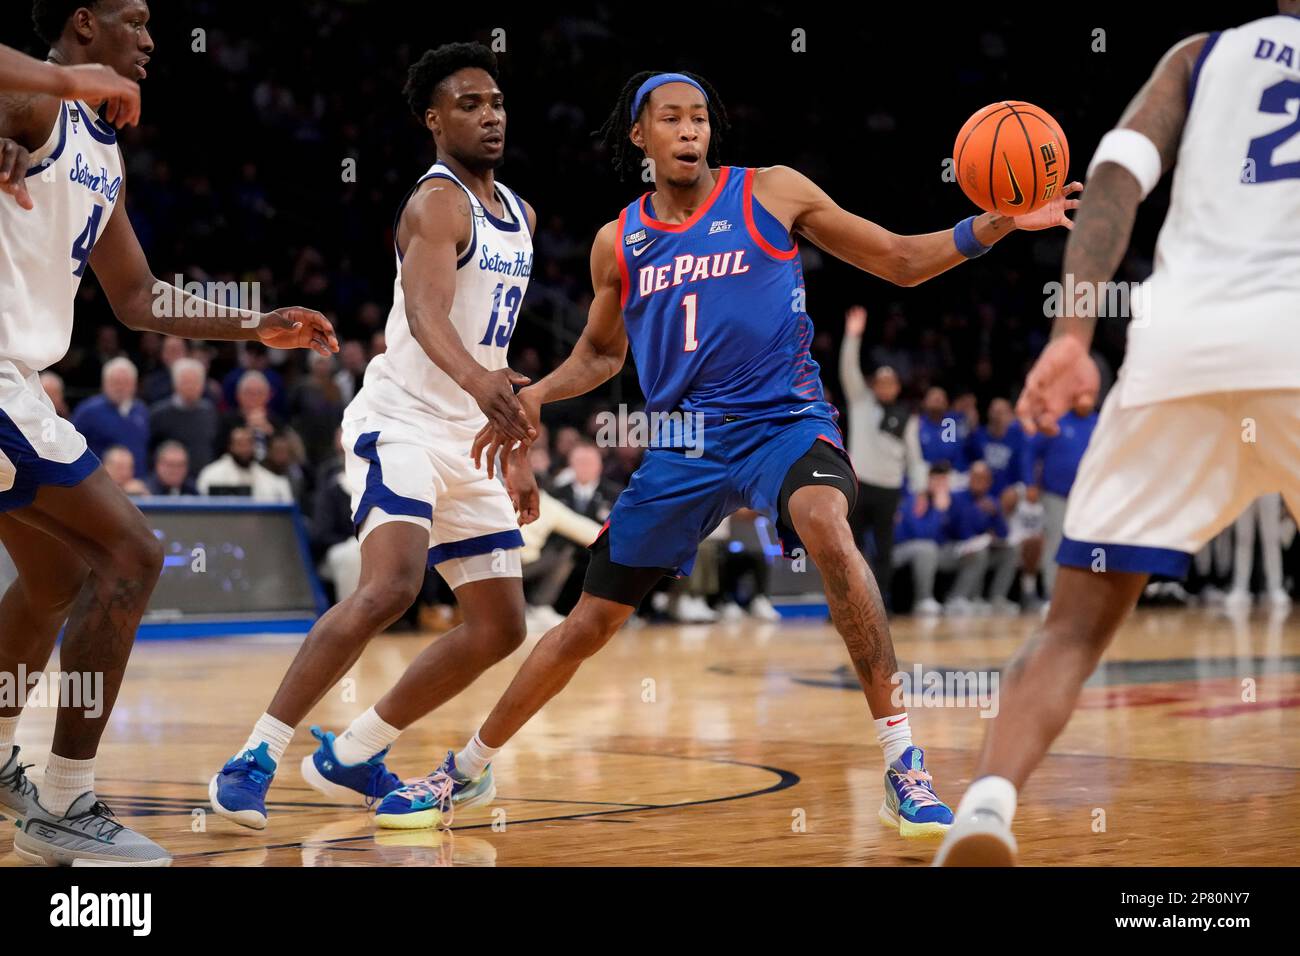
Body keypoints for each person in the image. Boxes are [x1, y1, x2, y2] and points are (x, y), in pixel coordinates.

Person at [436, 69, 1076, 838]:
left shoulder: (771, 192)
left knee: (828, 529)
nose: (689, 131)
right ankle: (465, 768)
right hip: (684, 445)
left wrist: (997, 224)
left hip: (784, 421)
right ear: (639, 135)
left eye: (700, 118)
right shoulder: (620, 240)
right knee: (587, 624)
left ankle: (904, 764)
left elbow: (902, 260)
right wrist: (536, 394)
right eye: (670, 119)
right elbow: (602, 356)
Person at [937, 5, 1300, 865]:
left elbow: (1112, 175)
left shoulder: (1200, 54)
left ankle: (984, 811)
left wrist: (1070, 336)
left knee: (1071, 629)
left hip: (1179, 348)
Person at [0, 0, 336, 867]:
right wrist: (67, 83)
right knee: (134, 554)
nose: (151, 40)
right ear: (82, 24)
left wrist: (253, 323)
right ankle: (65, 802)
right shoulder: (37, 104)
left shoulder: (96, 146)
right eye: (135, 20)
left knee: (56, 575)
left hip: (21, 385)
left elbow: (141, 297)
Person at [209, 42, 540, 833]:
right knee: (391, 585)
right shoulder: (437, 203)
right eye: (469, 104)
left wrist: (517, 447)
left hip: (471, 435)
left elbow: (493, 354)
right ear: (434, 121)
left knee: (501, 625)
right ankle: (251, 757)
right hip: (400, 421)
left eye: (495, 102)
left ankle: (354, 751)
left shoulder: (521, 215)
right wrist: (484, 393)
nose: (489, 115)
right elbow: (424, 320)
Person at [838, 304, 910, 605]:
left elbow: (914, 458)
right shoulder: (860, 401)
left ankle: (880, 605)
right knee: (849, 548)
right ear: (873, 384)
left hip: (889, 489)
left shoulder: (909, 417)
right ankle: (847, 604)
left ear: (897, 388)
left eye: (890, 383)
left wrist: (917, 491)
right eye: (880, 382)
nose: (885, 387)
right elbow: (848, 370)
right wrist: (852, 337)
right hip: (860, 484)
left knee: (884, 550)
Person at [70, 356, 148, 476]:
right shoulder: (88, 411)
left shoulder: (141, 410)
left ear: (134, 385)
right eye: (115, 382)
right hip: (101, 484)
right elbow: (71, 446)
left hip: (136, 485)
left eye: (125, 382)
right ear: (104, 383)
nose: (120, 387)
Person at [196, 427, 293, 502]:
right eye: (240, 444)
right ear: (231, 447)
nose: (245, 449)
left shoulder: (267, 477)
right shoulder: (211, 474)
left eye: (249, 443)